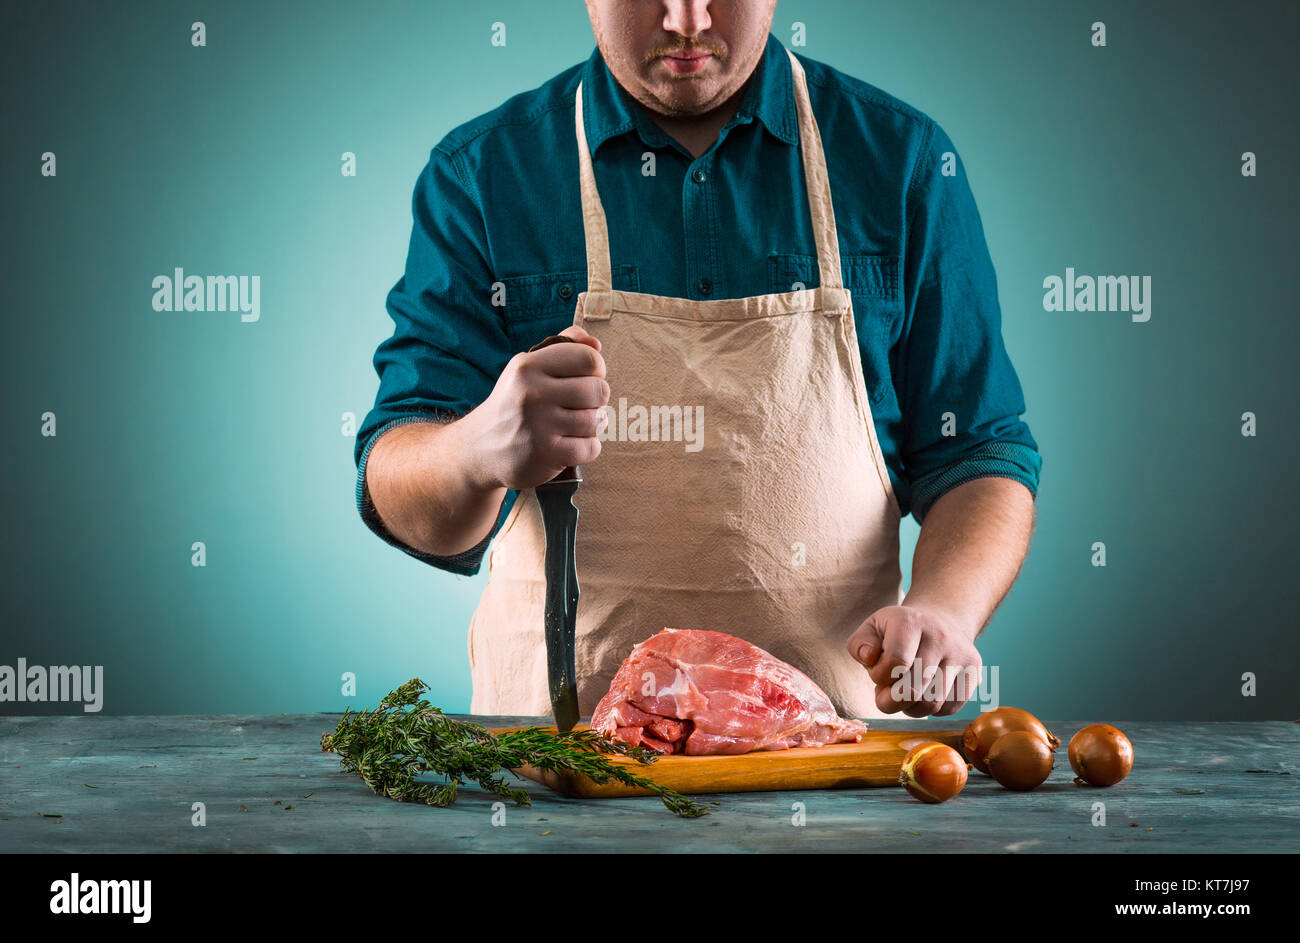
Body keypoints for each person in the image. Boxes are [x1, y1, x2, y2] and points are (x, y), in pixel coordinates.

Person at [355, 0, 1041, 719]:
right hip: (560, 769)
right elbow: (406, 491)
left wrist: (945, 609)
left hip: (830, 767)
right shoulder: (484, 173)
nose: (686, 18)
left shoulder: (901, 162)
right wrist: (474, 450)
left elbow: (978, 452)